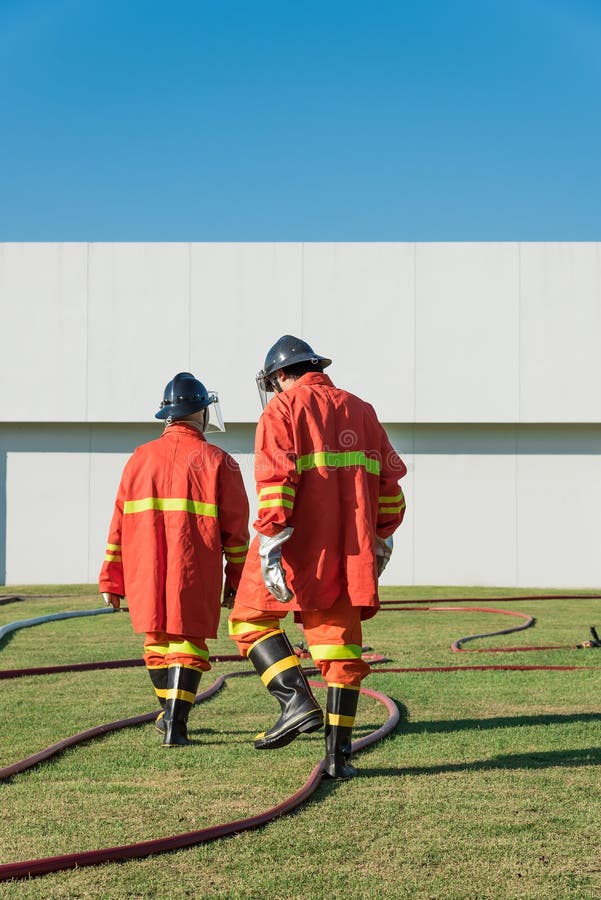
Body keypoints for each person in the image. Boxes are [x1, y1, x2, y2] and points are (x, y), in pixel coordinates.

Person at [228, 336, 406, 778]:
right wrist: (381, 539)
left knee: (248, 620)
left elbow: (276, 482)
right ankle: (337, 758)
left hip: (291, 542)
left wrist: (270, 542)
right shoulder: (361, 410)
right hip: (348, 551)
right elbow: (390, 486)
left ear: (280, 377)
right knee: (339, 651)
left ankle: (295, 704)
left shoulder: (282, 410)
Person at [99, 372, 250, 747]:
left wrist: (110, 579)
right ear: (199, 412)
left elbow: (118, 524)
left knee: (157, 642)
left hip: (143, 568)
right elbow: (237, 533)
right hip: (193, 566)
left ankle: (168, 718)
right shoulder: (219, 461)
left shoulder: (138, 459)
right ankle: (175, 725)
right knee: (188, 643)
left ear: (167, 415)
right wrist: (237, 581)